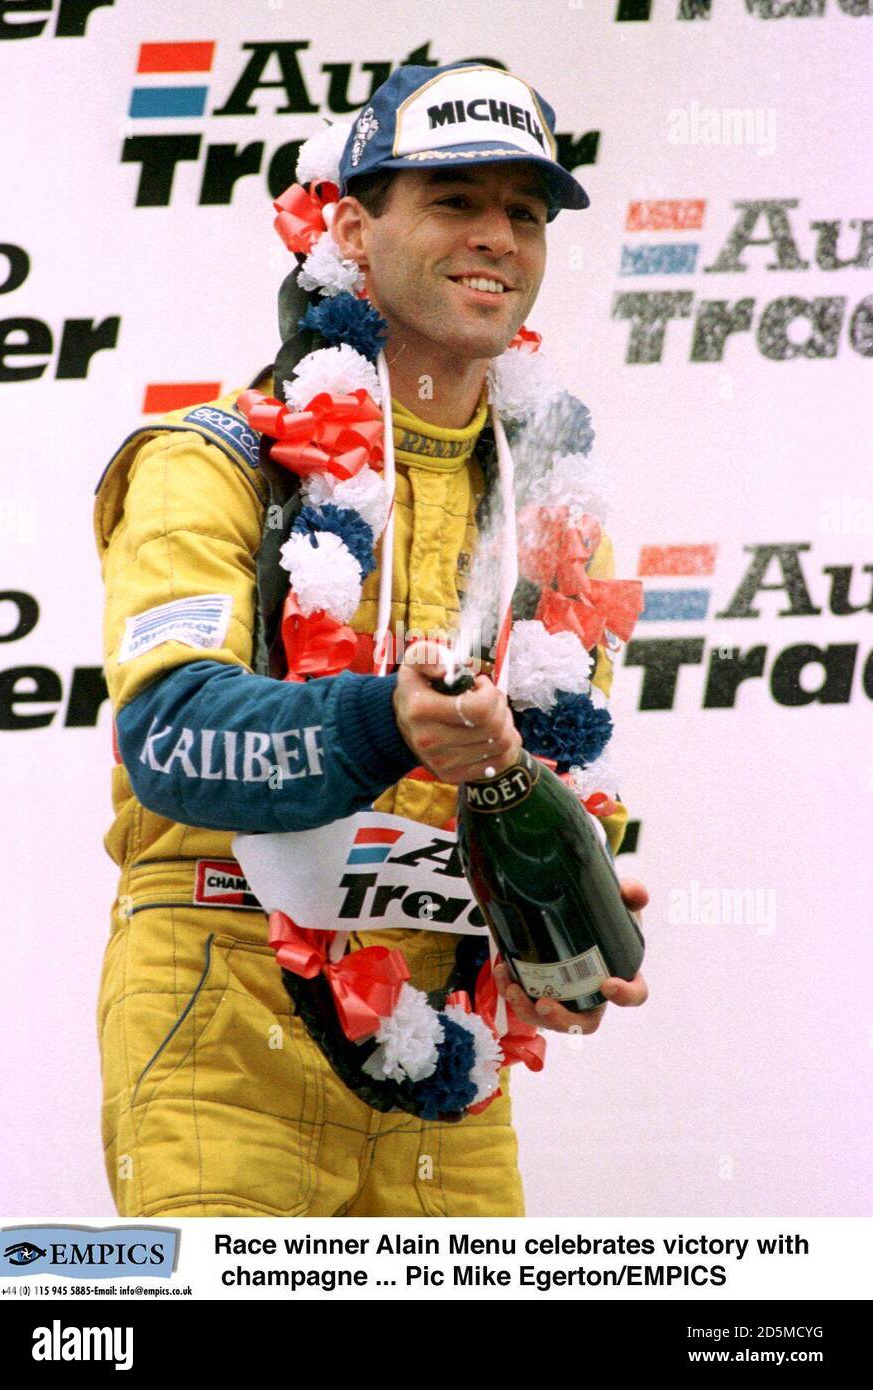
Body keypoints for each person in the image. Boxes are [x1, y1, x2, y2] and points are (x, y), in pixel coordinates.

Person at [93, 61, 649, 1219]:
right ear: (351, 227)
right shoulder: (213, 459)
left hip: (447, 1046)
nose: (498, 234)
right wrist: (382, 716)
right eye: (455, 201)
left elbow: (547, 779)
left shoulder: (551, 504)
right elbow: (172, 735)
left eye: (526, 211)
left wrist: (564, 931)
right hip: (225, 1006)